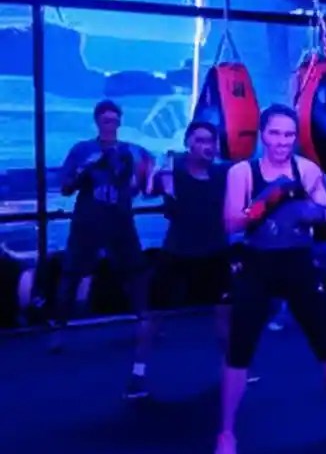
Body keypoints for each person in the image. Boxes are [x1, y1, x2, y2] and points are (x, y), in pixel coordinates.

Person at [216, 104, 326, 454]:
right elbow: (231, 224)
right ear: (263, 135)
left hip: (299, 262)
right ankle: (226, 434)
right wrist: (269, 201)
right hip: (257, 263)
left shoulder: (308, 169)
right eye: (275, 134)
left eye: (288, 134)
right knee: (239, 349)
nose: (282, 141)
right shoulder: (243, 172)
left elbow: (325, 218)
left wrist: (319, 213)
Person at [126, 121, 234, 400]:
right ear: (189, 143)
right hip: (177, 253)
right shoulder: (171, 172)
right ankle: (138, 374)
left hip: (215, 253)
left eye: (210, 141)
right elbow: (146, 191)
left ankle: (234, 367)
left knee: (224, 313)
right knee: (155, 316)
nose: (207, 146)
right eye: (200, 140)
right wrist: (155, 172)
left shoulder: (223, 174)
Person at [48, 100, 153, 353]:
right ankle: (58, 331)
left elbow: (140, 186)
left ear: (120, 122)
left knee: (135, 274)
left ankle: (145, 323)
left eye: (115, 120)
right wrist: (87, 168)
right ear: (97, 121)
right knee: (71, 275)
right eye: (106, 120)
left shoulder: (131, 151)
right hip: (88, 223)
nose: (111, 125)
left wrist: (143, 176)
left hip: (120, 221)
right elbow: (65, 187)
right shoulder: (82, 150)